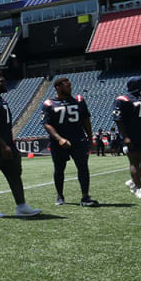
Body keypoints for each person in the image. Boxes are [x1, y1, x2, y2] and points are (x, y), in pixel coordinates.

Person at [0, 71, 41, 218]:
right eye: (0, 81)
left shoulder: (1, 100)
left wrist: (8, 144)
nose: (4, 82)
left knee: (15, 175)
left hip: (6, 144)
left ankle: (21, 206)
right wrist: (3, 145)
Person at [41, 76, 99, 207]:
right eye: (66, 85)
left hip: (78, 139)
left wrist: (90, 138)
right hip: (58, 143)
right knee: (59, 169)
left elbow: (86, 120)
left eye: (70, 85)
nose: (70, 87)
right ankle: (60, 195)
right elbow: (47, 124)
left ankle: (85, 197)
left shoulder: (79, 100)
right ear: (58, 87)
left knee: (83, 168)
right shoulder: (49, 104)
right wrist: (60, 139)